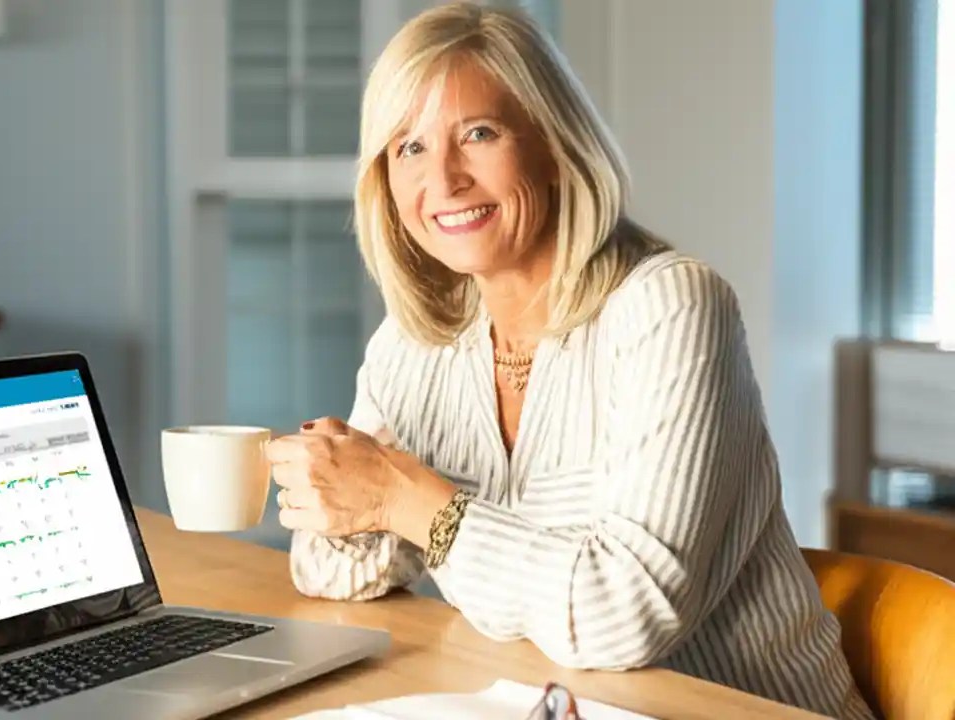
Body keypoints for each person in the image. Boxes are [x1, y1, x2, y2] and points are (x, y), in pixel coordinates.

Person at [263, 4, 872, 718]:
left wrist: (402, 500)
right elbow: (332, 570)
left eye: (479, 134)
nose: (445, 179)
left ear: (553, 145)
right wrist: (351, 498)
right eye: (409, 148)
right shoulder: (415, 342)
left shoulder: (671, 308)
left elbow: (628, 614)